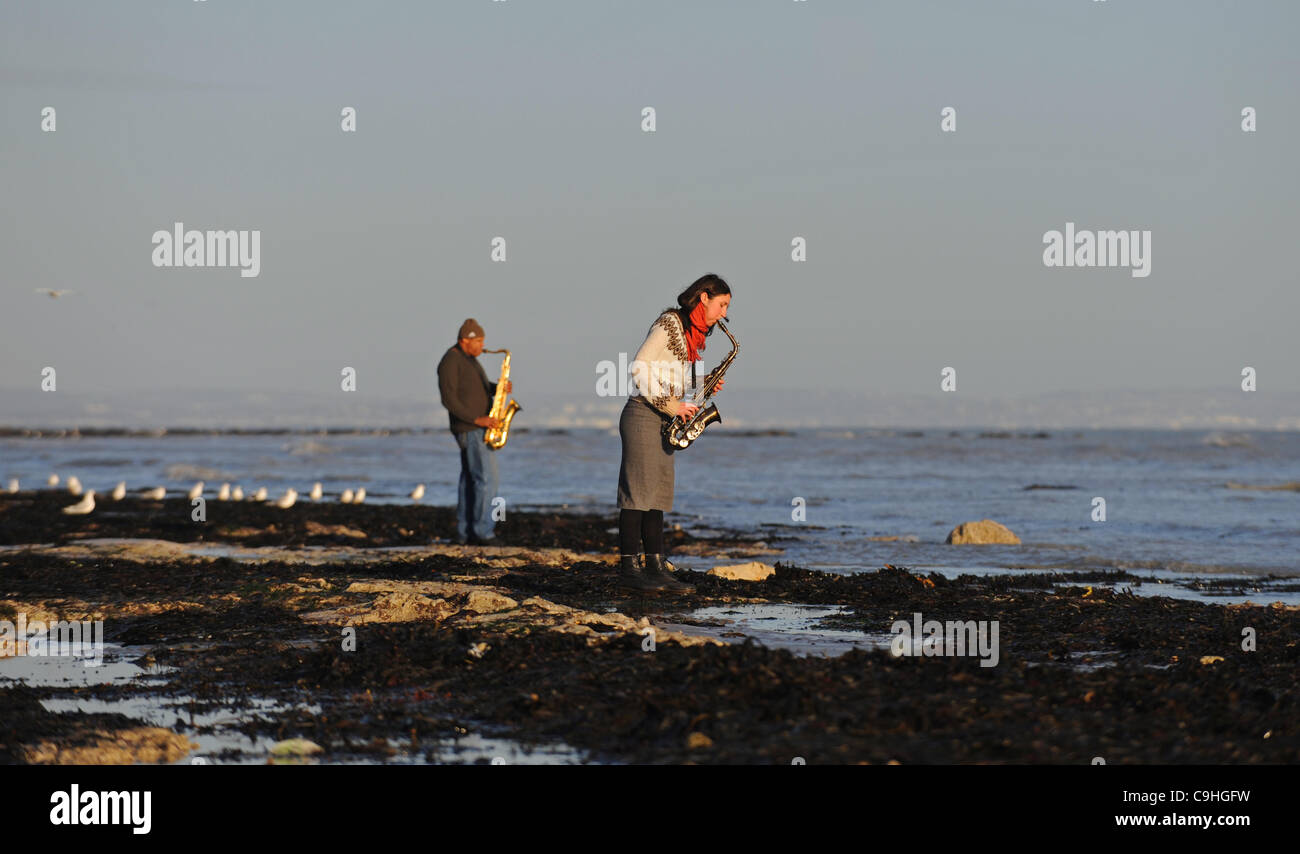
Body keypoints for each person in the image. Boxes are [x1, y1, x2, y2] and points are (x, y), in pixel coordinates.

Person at [616, 273, 731, 592]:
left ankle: (654, 567)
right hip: (643, 414)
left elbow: (668, 375)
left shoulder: (690, 333)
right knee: (637, 495)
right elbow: (639, 367)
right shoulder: (669, 324)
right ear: (704, 297)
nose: (724, 314)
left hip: (662, 420)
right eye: (721, 305)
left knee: (657, 497)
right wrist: (672, 407)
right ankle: (629, 570)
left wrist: (701, 381)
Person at [437, 318, 512, 545]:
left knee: (470, 480)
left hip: (476, 428)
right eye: (478, 341)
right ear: (464, 340)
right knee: (487, 479)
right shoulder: (451, 361)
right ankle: (482, 532)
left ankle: (465, 531)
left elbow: (475, 388)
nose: (482, 346)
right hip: (471, 429)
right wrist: (477, 419)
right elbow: (449, 399)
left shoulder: (469, 360)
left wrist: (497, 388)